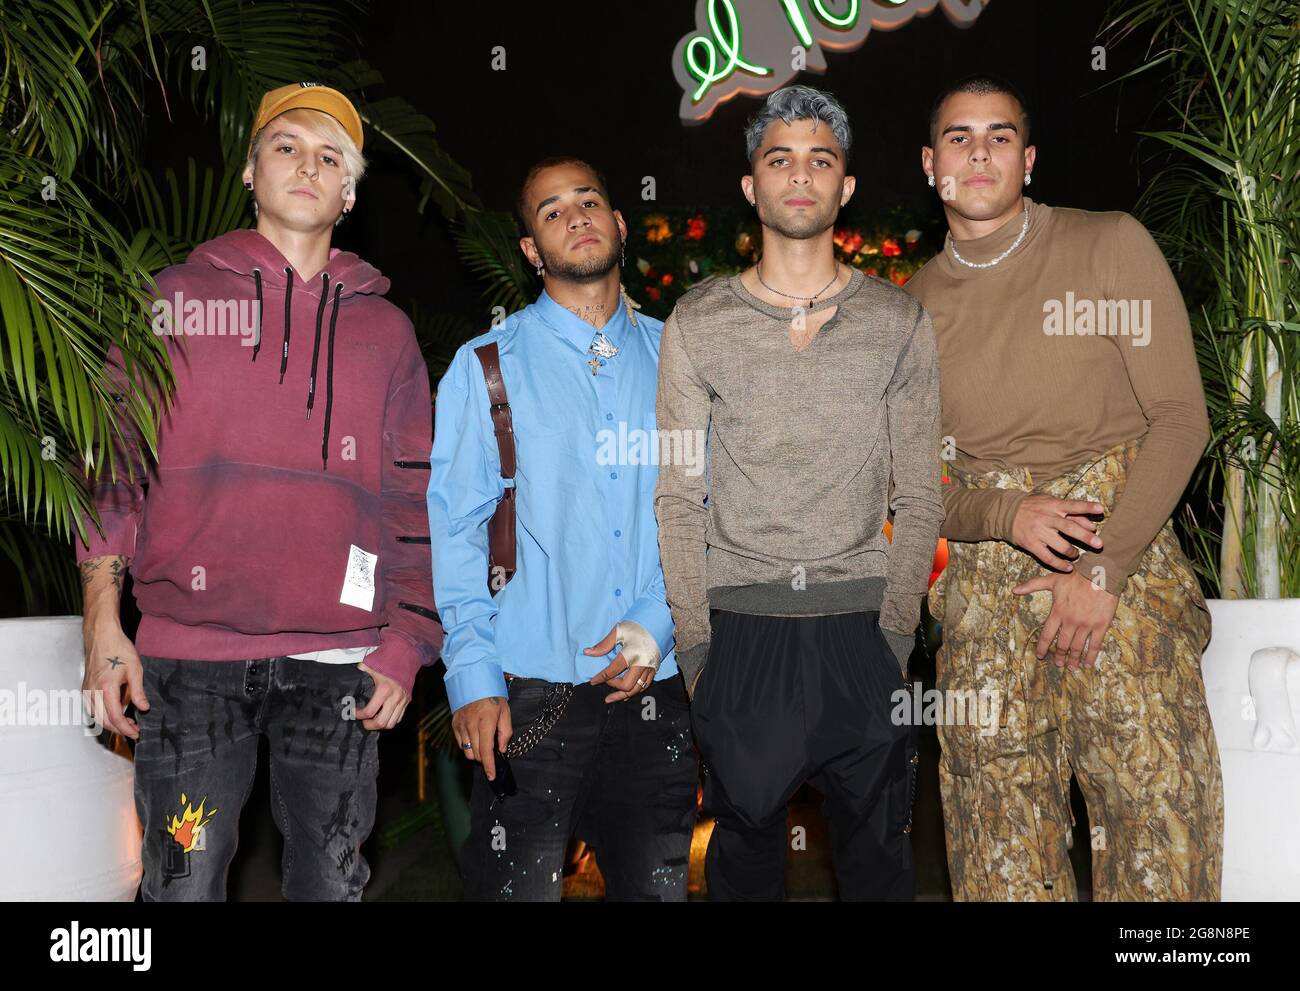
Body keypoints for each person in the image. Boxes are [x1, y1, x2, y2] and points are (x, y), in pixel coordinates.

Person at [77, 83, 441, 901]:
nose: (306, 165)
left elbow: (412, 498)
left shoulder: (387, 332)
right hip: (187, 660)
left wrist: (409, 638)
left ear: (349, 192)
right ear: (249, 170)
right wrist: (104, 620)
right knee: (179, 882)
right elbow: (112, 470)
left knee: (330, 885)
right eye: (286, 146)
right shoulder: (170, 299)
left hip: (339, 663)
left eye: (329, 156)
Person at [904, 75, 1223, 900]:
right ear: (930, 163)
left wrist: (1102, 567)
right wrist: (1003, 511)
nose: (979, 152)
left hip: (1121, 561)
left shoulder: (1109, 243)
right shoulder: (907, 311)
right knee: (998, 847)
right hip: (988, 591)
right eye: (960, 137)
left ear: (1029, 159)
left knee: (1160, 827)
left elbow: (1181, 419)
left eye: (1000, 136)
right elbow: (904, 486)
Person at [654, 85, 944, 901]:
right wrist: (697, 649)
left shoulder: (898, 322)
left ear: (845, 186)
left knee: (880, 866)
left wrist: (893, 633)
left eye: (821, 160)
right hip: (741, 629)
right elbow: (678, 494)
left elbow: (920, 493)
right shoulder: (698, 321)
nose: (800, 175)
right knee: (744, 866)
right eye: (779, 159)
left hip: (862, 630)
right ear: (752, 187)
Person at [428, 157, 698, 901]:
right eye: (551, 211)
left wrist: (658, 620)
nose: (575, 216)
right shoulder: (485, 368)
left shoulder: (682, 358)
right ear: (530, 251)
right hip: (526, 698)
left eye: (589, 201)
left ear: (618, 223)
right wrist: (472, 677)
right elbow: (456, 533)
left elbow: (704, 506)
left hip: (654, 690)